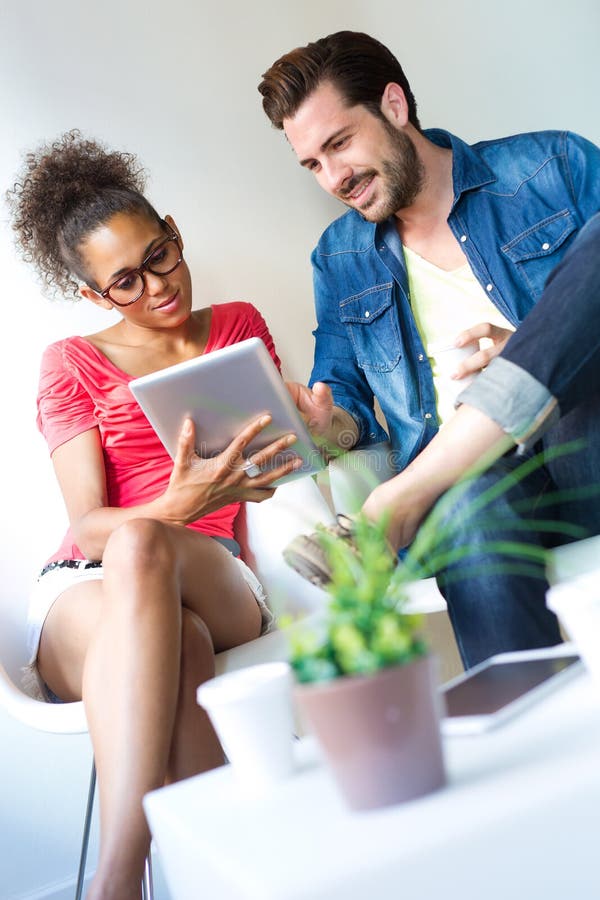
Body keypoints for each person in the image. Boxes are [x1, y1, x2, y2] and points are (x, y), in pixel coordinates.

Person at [7, 130, 300, 900]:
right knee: (177, 633)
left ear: (173, 231)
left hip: (214, 571)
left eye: (160, 255)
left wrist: (324, 429)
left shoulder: (237, 324)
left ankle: (117, 874)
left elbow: (284, 460)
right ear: (95, 296)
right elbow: (90, 521)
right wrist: (178, 502)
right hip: (87, 585)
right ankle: (229, 877)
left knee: (148, 545)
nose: (157, 288)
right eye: (125, 283)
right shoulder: (68, 363)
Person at [259, 31, 600, 668]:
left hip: (589, 448)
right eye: (312, 163)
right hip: (476, 489)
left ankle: (399, 500)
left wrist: (522, 346)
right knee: (468, 503)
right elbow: (346, 416)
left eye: (339, 143)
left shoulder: (550, 167)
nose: (334, 178)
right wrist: (323, 424)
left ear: (394, 105)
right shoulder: (340, 258)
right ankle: (516, 741)